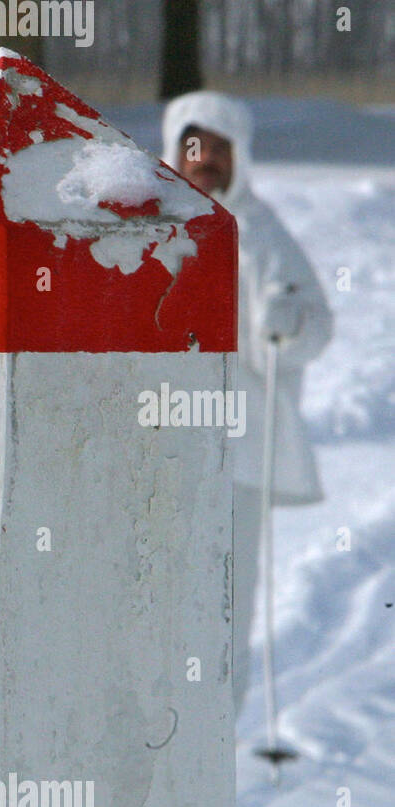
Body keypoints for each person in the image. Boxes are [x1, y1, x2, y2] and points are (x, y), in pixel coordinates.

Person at [162, 92, 333, 719]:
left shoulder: (261, 234)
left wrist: (287, 325)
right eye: (192, 146)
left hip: (237, 453)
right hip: (155, 451)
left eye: (218, 149)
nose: (204, 160)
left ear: (241, 156)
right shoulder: (148, 226)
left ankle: (216, 730)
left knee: (225, 598)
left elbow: (316, 324)